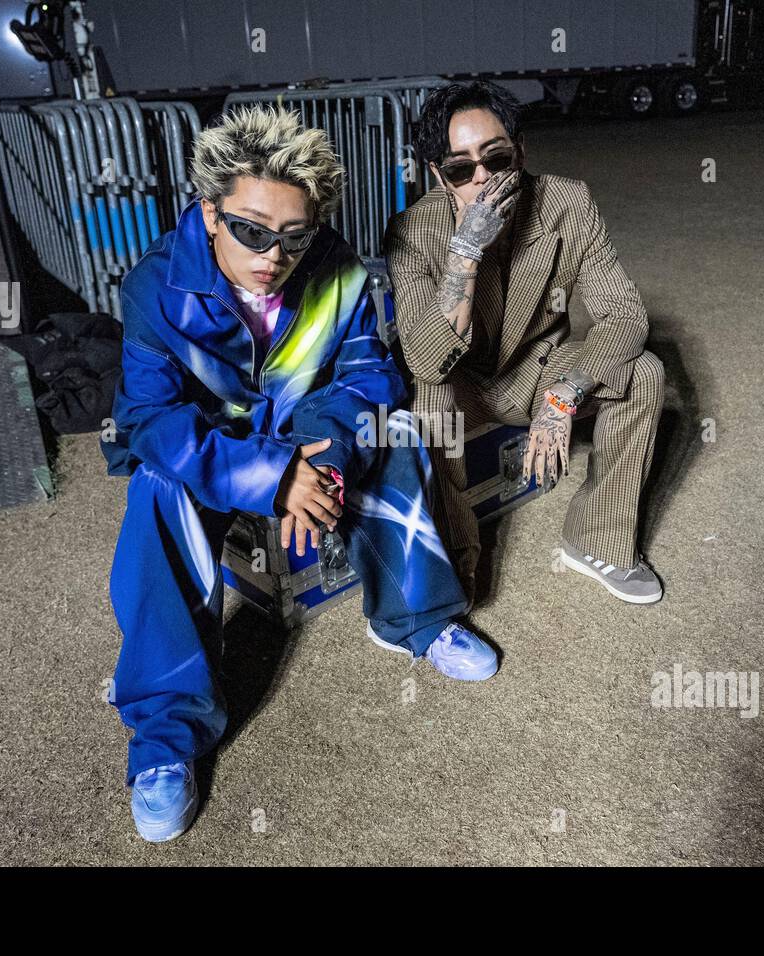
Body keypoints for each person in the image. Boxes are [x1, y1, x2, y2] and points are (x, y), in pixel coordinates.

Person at [101, 105, 497, 843]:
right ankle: (168, 734)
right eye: (251, 230)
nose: (271, 255)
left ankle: (417, 616)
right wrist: (272, 480)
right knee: (154, 485)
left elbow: (365, 373)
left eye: (294, 236)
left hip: (306, 431)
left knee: (397, 425)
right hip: (211, 448)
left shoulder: (339, 268)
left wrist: (323, 461)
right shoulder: (152, 288)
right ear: (209, 212)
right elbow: (150, 420)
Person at [384, 80, 666, 608]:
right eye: (461, 168)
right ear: (440, 178)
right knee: (425, 396)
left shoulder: (568, 201)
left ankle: (597, 541)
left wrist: (564, 395)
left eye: (497, 157)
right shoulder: (411, 230)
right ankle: (455, 562)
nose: (484, 178)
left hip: (540, 371)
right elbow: (424, 356)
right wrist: (466, 249)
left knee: (645, 372)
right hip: (460, 383)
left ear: (521, 150)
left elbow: (624, 313)